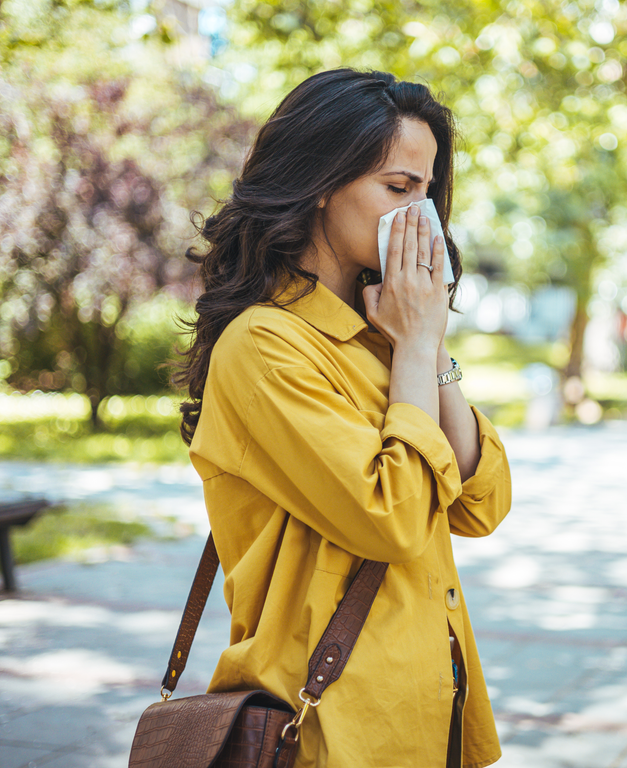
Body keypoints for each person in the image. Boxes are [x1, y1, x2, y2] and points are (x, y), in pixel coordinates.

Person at [174, 68, 512, 768]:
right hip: (330, 727)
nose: (420, 217)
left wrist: (429, 345)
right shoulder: (263, 345)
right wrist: (415, 348)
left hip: (431, 706)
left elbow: (482, 505)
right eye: (398, 188)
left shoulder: (386, 336)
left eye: (426, 192)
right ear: (323, 182)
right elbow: (388, 517)